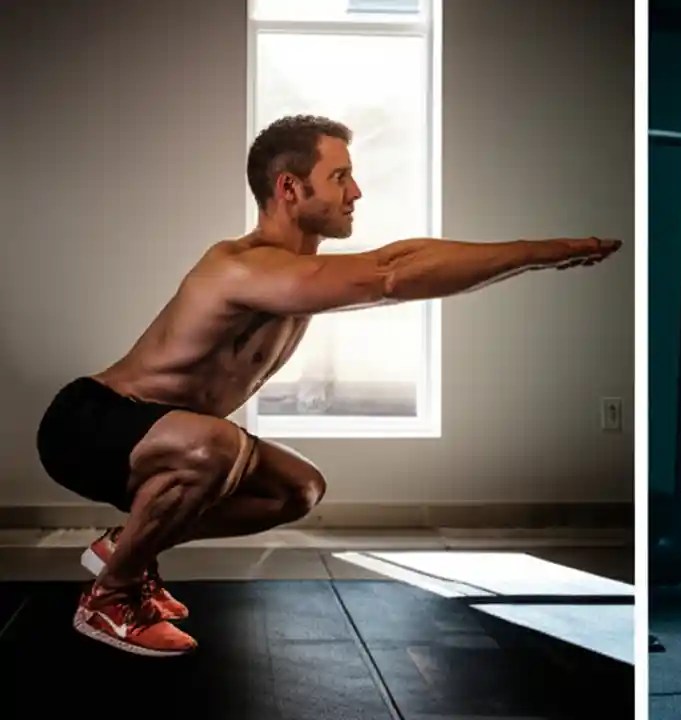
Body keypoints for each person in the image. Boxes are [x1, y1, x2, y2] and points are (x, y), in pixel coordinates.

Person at [35, 115, 621, 657]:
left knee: (297, 490)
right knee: (218, 445)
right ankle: (109, 597)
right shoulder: (243, 266)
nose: (355, 192)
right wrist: (541, 253)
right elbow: (393, 273)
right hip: (91, 424)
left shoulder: (298, 274)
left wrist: (534, 256)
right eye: (339, 177)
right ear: (290, 188)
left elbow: (401, 258)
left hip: (162, 438)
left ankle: (128, 548)